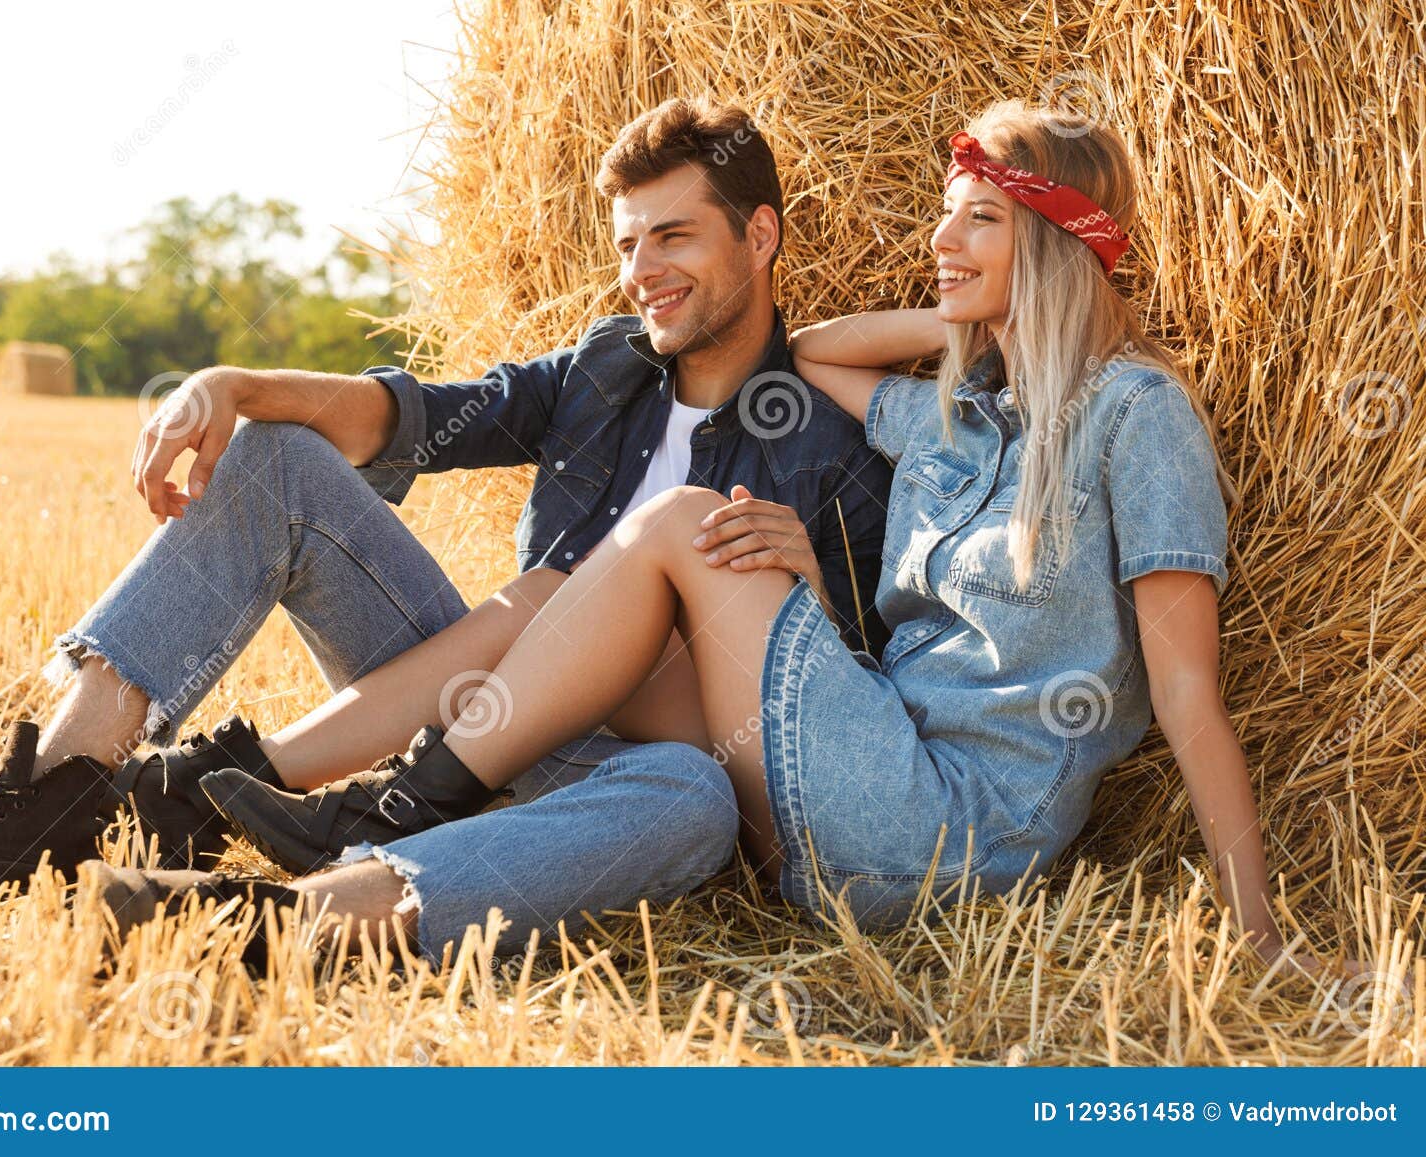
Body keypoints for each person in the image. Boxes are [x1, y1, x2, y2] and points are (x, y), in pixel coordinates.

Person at [84, 98, 1371, 987]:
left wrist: (1253, 927)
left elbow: (1190, 697)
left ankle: (392, 804)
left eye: (978, 219)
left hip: (955, 829)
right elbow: (811, 351)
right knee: (642, 687)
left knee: (683, 530)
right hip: (843, 777)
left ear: (1058, 238)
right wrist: (970, 328)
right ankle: (308, 883)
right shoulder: (949, 420)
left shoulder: (1135, 416)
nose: (938, 242)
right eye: (944, 215)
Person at [0, 99, 902, 956]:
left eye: (673, 235)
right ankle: (53, 796)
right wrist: (237, 383)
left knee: (688, 797)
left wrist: (811, 583)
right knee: (277, 453)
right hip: (470, 698)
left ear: (758, 235)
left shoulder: (830, 442)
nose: (643, 271)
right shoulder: (606, 367)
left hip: (627, 772)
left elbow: (857, 726)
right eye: (629, 243)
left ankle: (309, 912)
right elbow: (409, 416)